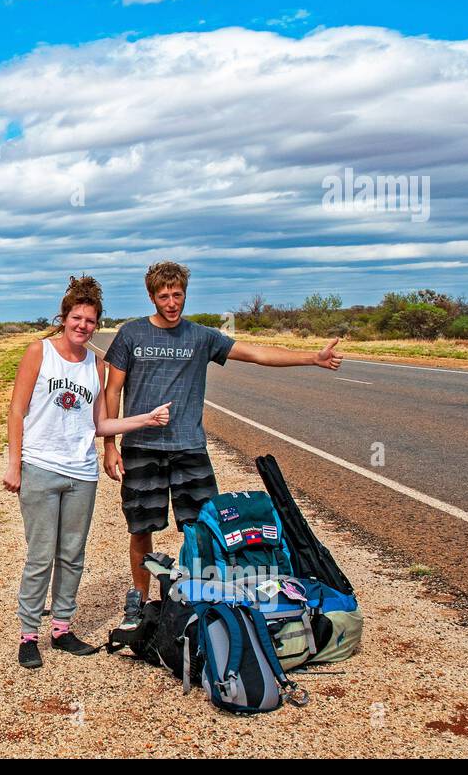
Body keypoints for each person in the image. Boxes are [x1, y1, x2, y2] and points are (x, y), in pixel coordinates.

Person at [102, 261, 344, 634]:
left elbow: (257, 354)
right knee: (141, 529)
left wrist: (312, 357)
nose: (171, 302)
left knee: (202, 528)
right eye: (163, 295)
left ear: (185, 293)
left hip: (189, 448)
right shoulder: (131, 335)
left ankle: (199, 597)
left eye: (177, 294)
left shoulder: (201, 337)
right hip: (142, 447)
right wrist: (110, 445)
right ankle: (141, 600)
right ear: (151, 296)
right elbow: (112, 391)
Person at [4, 276, 173, 669]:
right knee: (41, 555)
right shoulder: (38, 353)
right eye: (76, 318)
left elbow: (99, 424)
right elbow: (16, 410)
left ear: (97, 324)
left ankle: (62, 628)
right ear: (64, 318)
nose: (83, 325)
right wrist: (15, 463)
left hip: (81, 473)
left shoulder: (96, 366)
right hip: (40, 468)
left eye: (90, 320)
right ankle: (29, 634)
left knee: (72, 555)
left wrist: (143, 420)